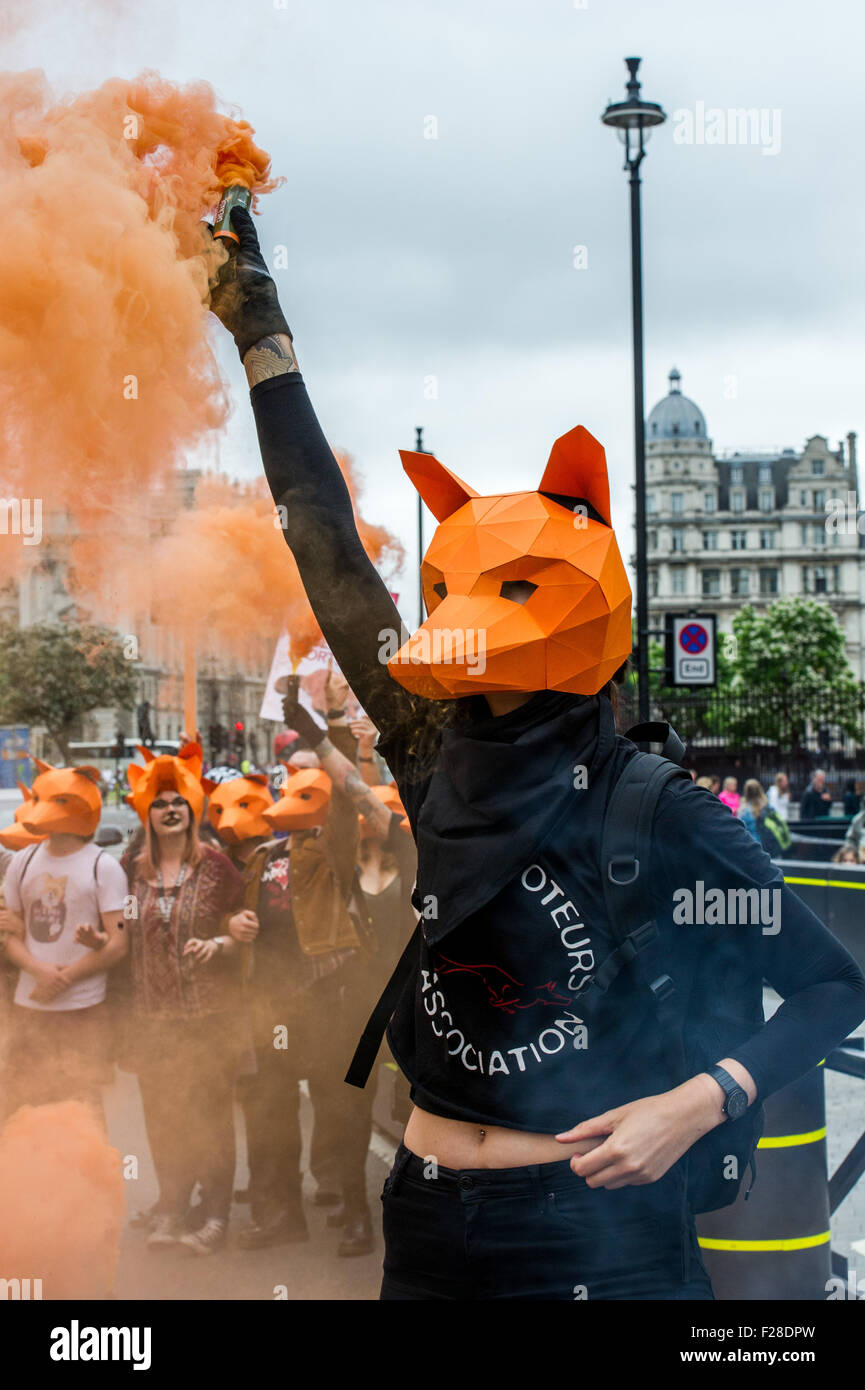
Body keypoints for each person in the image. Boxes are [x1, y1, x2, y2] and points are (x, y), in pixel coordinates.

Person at [207, 208, 865, 1301]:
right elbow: (321, 540)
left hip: (592, 1236)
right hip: (423, 1215)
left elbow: (831, 989)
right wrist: (260, 330)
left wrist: (698, 1099)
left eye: (506, 590)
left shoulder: (660, 808)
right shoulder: (427, 747)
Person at [225, 671, 393, 1256]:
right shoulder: (265, 853)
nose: (298, 783)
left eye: (308, 775)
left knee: (341, 1110)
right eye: (291, 775)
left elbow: (351, 800)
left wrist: (331, 732)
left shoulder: (335, 844)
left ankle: (353, 1214)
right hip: (273, 1007)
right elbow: (240, 918)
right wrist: (234, 926)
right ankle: (281, 1215)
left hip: (331, 1002)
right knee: (269, 1113)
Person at [110, 744, 246, 1255]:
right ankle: (170, 1206)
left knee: (210, 1119)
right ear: (147, 814)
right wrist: (94, 938)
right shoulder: (130, 871)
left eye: (179, 803)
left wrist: (223, 941)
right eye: (160, 802)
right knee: (164, 1120)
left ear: (193, 812)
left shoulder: (217, 869)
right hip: (152, 1024)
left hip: (210, 1021)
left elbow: (245, 931)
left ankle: (214, 1215)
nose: (170, 809)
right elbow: (120, 924)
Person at [0, 761, 128, 1122]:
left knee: (84, 1111)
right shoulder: (21, 863)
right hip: (30, 1010)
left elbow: (118, 942)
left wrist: (63, 980)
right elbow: (11, 934)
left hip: (84, 1014)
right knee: (27, 1110)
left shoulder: (104, 867)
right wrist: (39, 971)